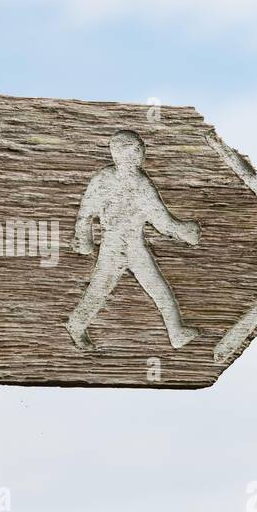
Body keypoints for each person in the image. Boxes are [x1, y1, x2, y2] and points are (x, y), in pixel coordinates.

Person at [66, 130, 201, 350]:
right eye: (137, 151)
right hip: (118, 247)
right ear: (127, 155)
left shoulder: (120, 180)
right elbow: (162, 223)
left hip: (129, 246)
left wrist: (84, 240)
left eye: (139, 151)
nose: (140, 156)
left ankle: (176, 332)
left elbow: (86, 214)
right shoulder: (124, 182)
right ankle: (76, 325)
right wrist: (185, 231)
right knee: (101, 291)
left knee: (155, 288)